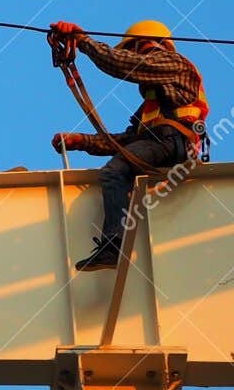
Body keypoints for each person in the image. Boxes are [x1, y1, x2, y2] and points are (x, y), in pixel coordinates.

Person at [49, 18, 208, 270]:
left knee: (114, 171)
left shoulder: (174, 64)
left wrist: (83, 41)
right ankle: (114, 243)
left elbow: (126, 65)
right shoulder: (154, 108)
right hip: (165, 142)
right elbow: (126, 142)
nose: (136, 51)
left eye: (137, 47)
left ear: (152, 45)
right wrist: (82, 142)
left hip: (173, 141)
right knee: (121, 165)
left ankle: (113, 245)